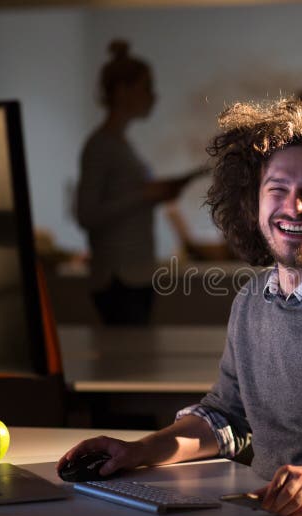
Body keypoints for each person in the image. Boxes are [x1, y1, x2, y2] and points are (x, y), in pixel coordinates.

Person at [58, 99, 302, 516]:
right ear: (252, 202)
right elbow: (226, 417)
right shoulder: (251, 300)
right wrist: (138, 451)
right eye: (277, 189)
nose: (294, 207)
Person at [75, 39, 206, 325]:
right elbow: (86, 214)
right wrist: (145, 196)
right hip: (118, 279)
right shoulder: (101, 146)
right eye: (146, 87)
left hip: (131, 275)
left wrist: (153, 193)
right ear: (122, 91)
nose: (153, 96)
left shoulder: (120, 145)